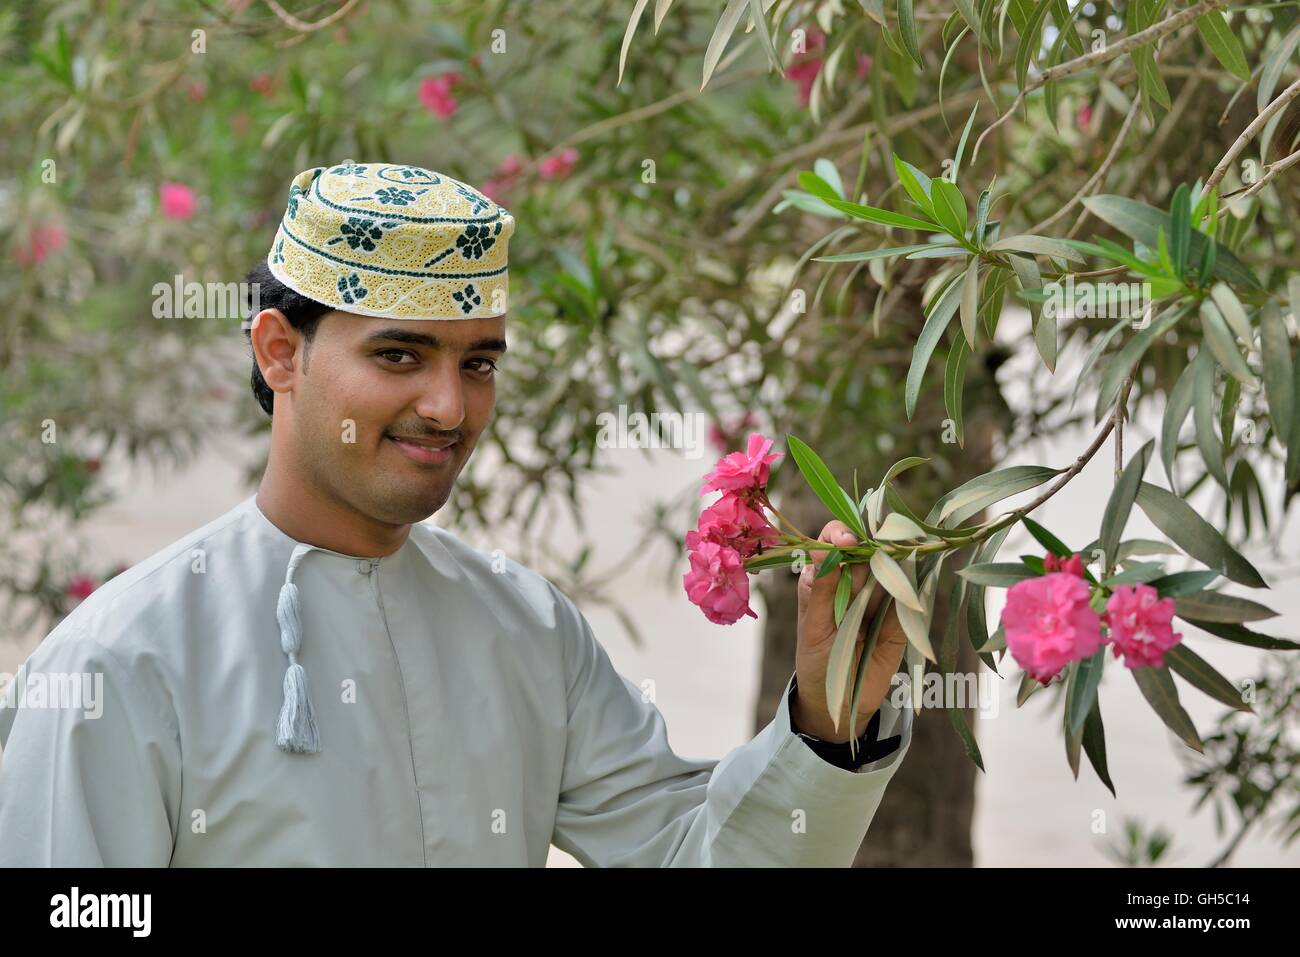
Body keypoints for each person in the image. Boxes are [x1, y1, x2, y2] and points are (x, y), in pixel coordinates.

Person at [0, 162, 912, 867]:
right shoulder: (118, 664)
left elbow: (691, 854)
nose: (449, 405)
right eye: (400, 355)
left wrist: (827, 727)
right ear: (281, 353)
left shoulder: (526, 629)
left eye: (478, 363)